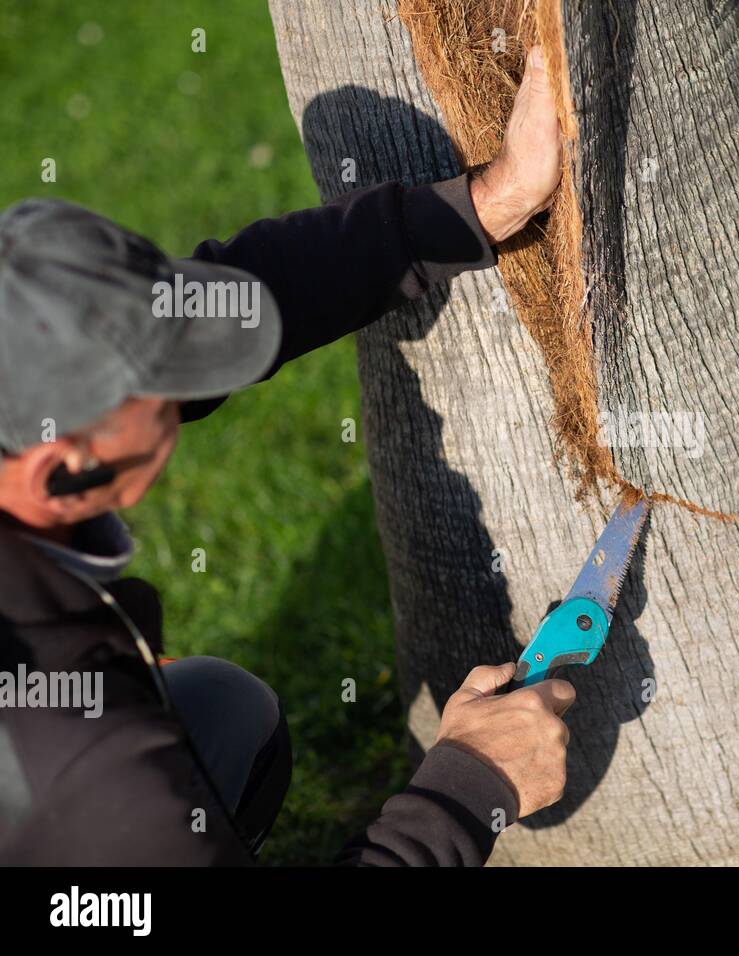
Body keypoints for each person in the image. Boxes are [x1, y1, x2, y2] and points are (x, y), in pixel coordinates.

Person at [0, 47, 572, 866]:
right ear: (59, 472)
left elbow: (235, 294)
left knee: (218, 717)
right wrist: (470, 785)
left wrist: (484, 203)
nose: (198, 384)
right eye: (168, 393)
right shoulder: (75, 748)